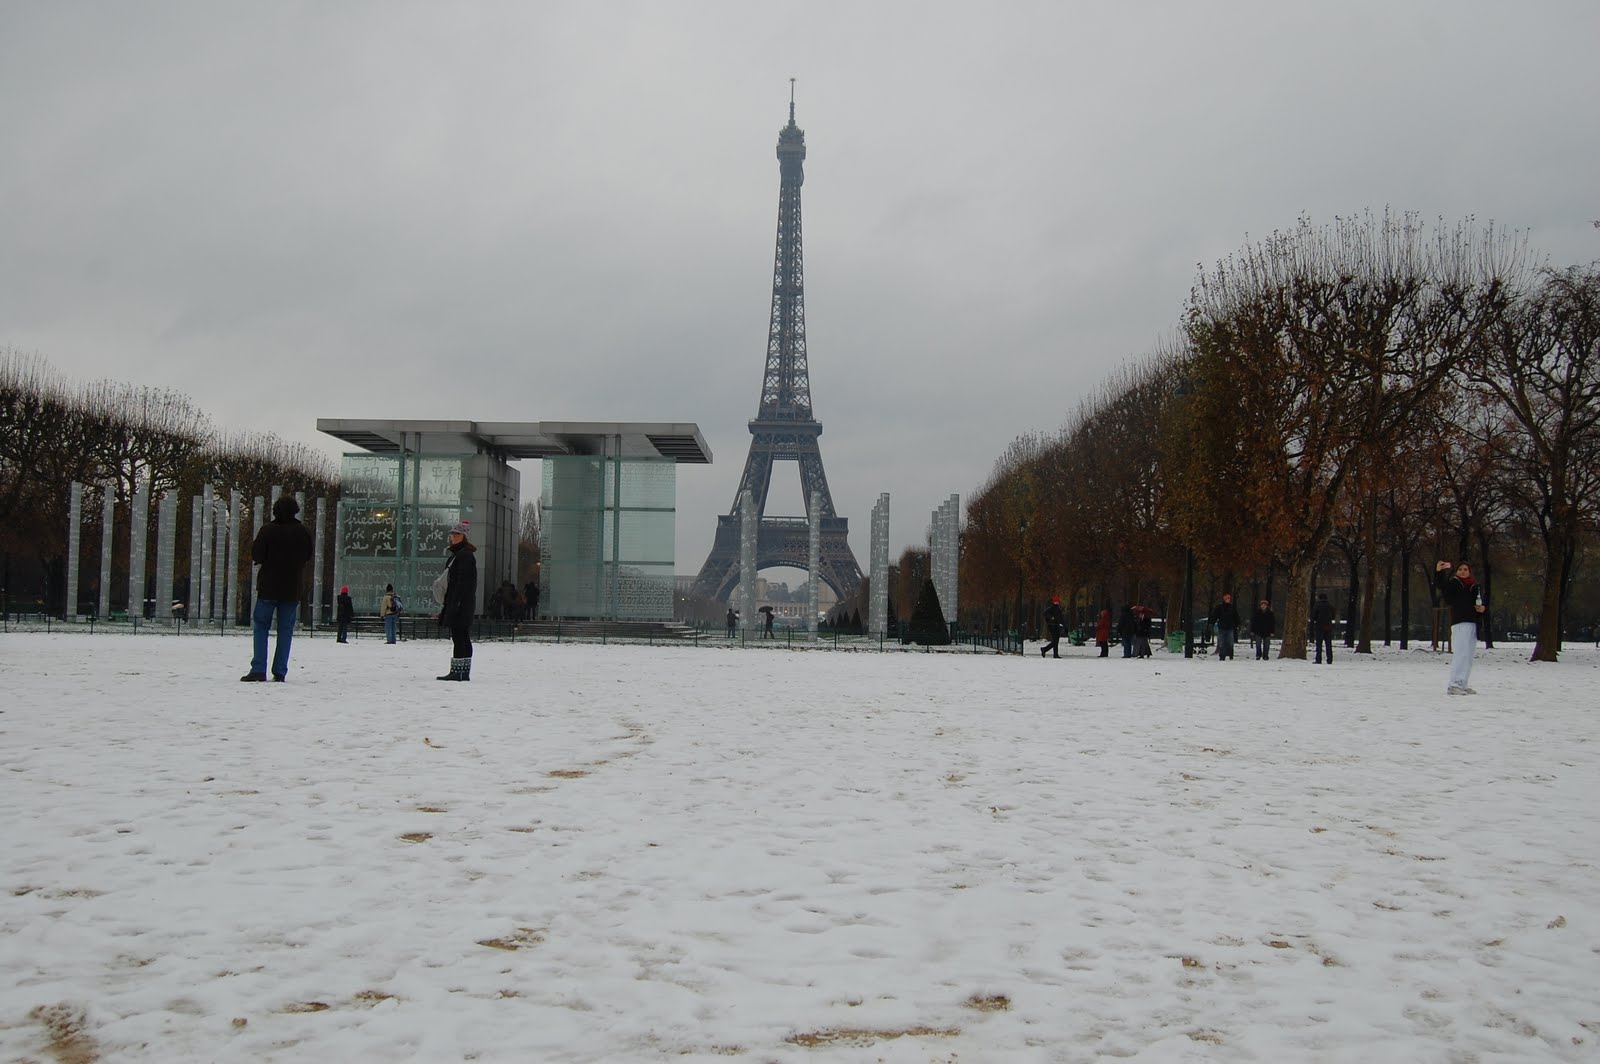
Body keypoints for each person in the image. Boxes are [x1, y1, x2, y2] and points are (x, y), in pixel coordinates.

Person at [242, 495, 314, 682]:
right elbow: (307, 556)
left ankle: (259, 668)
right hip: (292, 588)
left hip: (268, 586)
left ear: (276, 511)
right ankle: (280, 671)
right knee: (285, 630)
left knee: (261, 627)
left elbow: (257, 554)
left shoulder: (268, 530)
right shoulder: (303, 532)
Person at [1435, 559, 1486, 694]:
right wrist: (1439, 572)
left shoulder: (1474, 586)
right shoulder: (1454, 583)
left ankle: (1462, 683)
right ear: (1456, 572)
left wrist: (1482, 609)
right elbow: (1443, 588)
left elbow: (1481, 603)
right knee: (1461, 654)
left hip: (1472, 623)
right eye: (1460, 569)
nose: (1463, 572)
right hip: (1460, 623)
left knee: (1468, 656)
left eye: (1465, 570)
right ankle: (1454, 684)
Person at [437, 520, 478, 681]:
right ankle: (462, 671)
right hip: (460, 602)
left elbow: (462, 583)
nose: (453, 537)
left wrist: (456, 602)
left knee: (459, 636)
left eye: (457, 534)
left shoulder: (464, 556)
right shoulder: (460, 555)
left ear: (464, 536)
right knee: (461, 636)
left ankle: (458, 671)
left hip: (460, 603)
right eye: (453, 534)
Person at [1209, 593, 1241, 660]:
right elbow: (1215, 616)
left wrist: (1238, 624)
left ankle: (1231, 655)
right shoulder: (1219, 607)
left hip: (1230, 628)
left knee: (1230, 643)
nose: (1228, 600)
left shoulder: (1232, 607)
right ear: (1224, 599)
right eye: (1226, 598)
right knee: (1222, 643)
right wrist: (1212, 622)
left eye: (1229, 598)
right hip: (1222, 628)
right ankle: (1222, 656)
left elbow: (1236, 616)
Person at [1311, 592, 1335, 664]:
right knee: (1328, 644)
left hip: (1319, 626)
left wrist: (1314, 622)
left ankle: (1318, 659)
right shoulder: (1330, 606)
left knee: (1319, 644)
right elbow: (1333, 615)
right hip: (1328, 626)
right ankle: (1329, 659)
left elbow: (1313, 616)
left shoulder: (1317, 606)